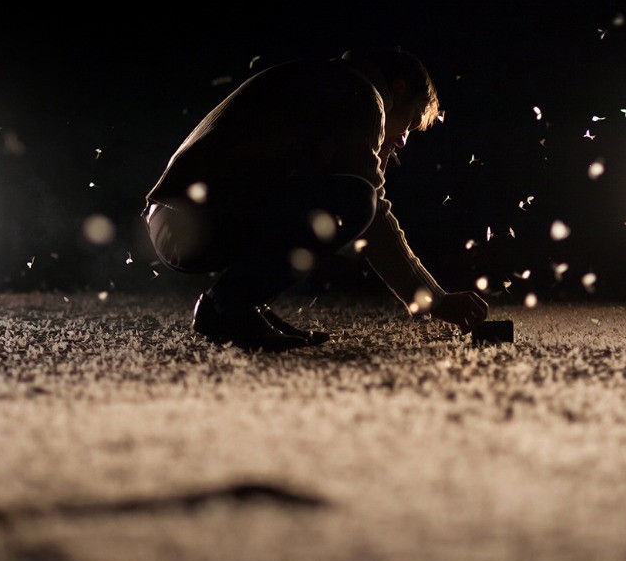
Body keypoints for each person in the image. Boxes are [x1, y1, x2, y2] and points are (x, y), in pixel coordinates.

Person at [142, 48, 489, 351]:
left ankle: (243, 305)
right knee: (354, 200)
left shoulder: (329, 81)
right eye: (410, 125)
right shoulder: (363, 93)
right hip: (191, 220)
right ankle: (228, 307)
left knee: (347, 193)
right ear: (397, 88)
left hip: (172, 219)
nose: (401, 143)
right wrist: (434, 300)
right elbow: (372, 216)